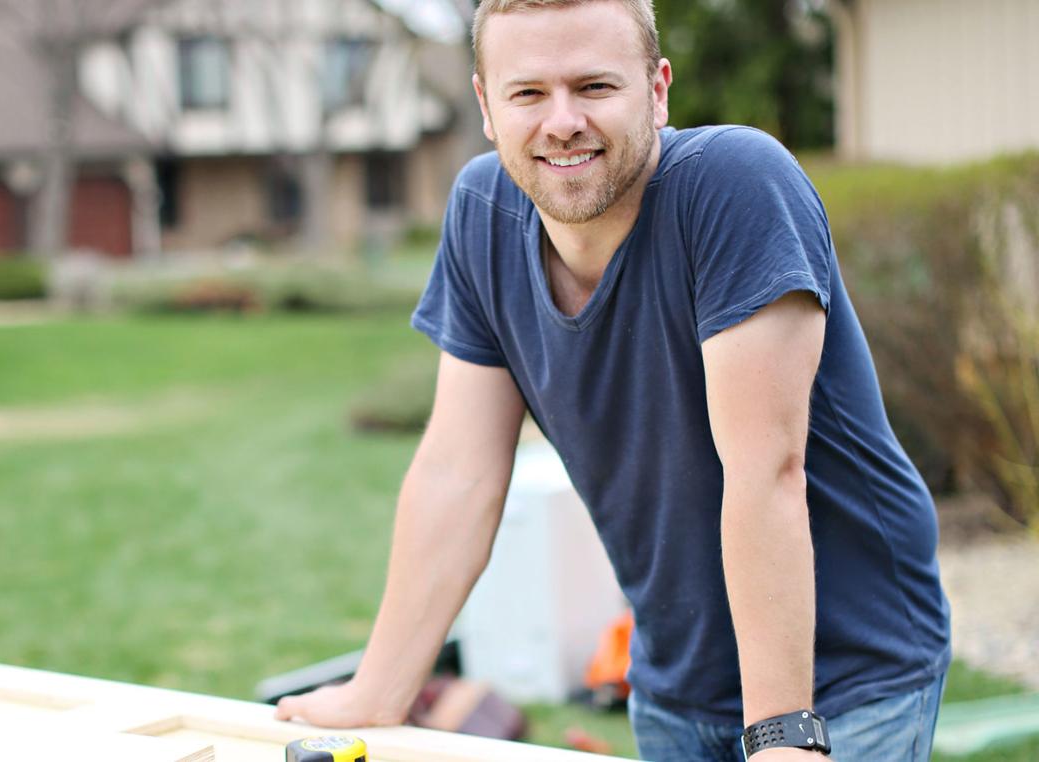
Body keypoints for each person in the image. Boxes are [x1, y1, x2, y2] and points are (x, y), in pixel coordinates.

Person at [275, 1, 951, 759]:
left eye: (594, 86)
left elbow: (764, 470)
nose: (561, 121)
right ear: (486, 107)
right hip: (674, 679)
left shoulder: (734, 186)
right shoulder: (481, 215)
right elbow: (456, 472)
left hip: (847, 677)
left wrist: (781, 736)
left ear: (658, 91)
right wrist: (379, 689)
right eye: (528, 93)